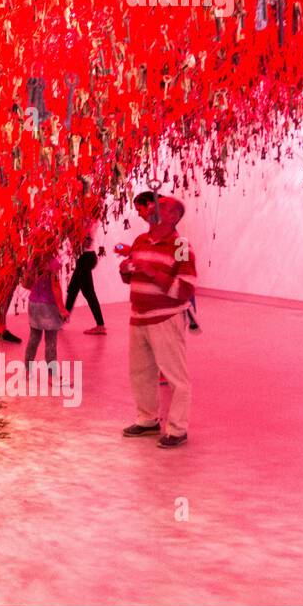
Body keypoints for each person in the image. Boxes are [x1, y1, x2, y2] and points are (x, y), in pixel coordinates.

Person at [118, 192, 197, 448]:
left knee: (175, 376)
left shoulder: (181, 246)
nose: (153, 207)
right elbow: (130, 277)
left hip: (166, 319)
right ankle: (147, 420)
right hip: (138, 317)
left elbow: (185, 289)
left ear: (174, 217)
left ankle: (178, 428)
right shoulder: (141, 240)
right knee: (140, 372)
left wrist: (152, 273)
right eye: (154, 204)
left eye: (161, 205)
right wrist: (125, 272)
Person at [22, 252, 68, 372]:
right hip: (49, 306)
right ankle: (52, 374)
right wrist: (62, 309)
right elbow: (56, 287)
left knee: (34, 338)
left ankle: (27, 370)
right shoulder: (53, 263)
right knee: (51, 341)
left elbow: (26, 284)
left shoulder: (33, 262)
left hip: (34, 304)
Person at [66, 235, 106, 335]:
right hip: (85, 258)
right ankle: (63, 318)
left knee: (87, 293)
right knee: (73, 289)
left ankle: (100, 325)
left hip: (86, 258)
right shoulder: (82, 222)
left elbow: (87, 241)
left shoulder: (87, 222)